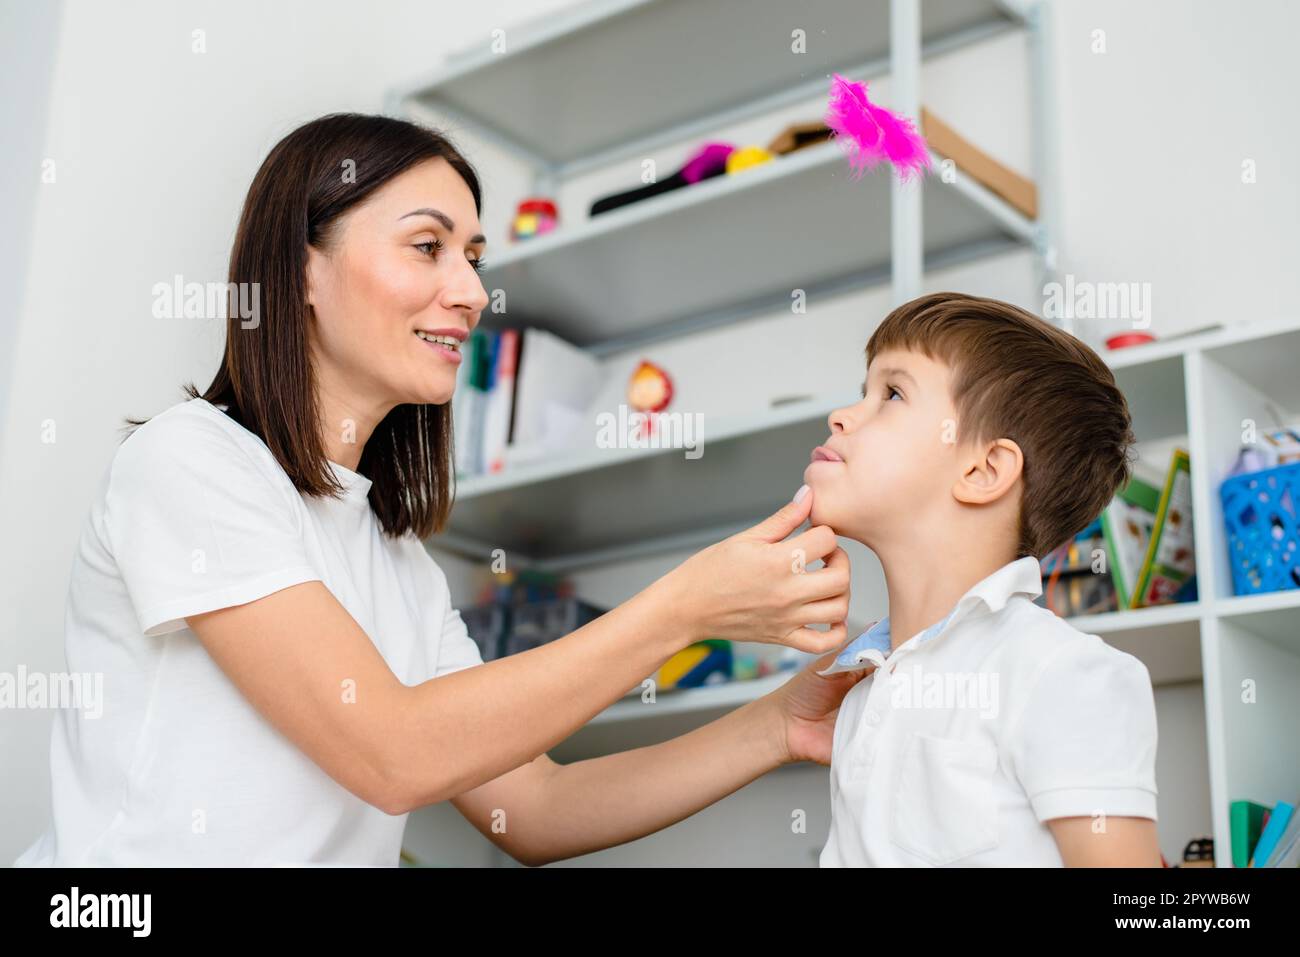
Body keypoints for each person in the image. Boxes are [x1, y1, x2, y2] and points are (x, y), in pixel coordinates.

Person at [15, 114, 862, 867]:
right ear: (301, 270)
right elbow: (392, 753)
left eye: (475, 258)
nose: (470, 291)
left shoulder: (398, 560)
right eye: (428, 246)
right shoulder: (189, 464)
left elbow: (534, 809)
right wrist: (683, 608)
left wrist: (776, 726)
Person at [806, 292, 1162, 867]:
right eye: (863, 389)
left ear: (983, 470)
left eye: (892, 393)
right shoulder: (863, 689)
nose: (841, 415)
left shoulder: (1061, 672)